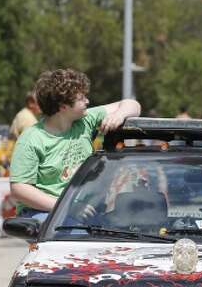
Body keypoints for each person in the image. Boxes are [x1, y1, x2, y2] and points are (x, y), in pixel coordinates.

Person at [10, 69, 141, 218]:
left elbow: (133, 104)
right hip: (44, 212)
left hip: (87, 210)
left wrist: (119, 114)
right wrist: (66, 207)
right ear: (63, 106)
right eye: (81, 98)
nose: (87, 101)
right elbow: (19, 189)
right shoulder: (31, 139)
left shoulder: (85, 121)